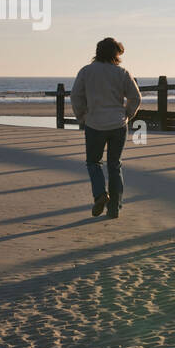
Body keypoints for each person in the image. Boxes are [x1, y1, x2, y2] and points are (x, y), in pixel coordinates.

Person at [72, 37, 141, 219]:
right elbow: (136, 97)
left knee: (94, 163)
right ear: (116, 54)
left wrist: (82, 117)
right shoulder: (121, 72)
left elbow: (76, 96)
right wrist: (128, 114)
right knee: (114, 165)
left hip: (94, 123)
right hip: (118, 124)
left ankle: (100, 195)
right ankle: (114, 208)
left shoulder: (86, 72)